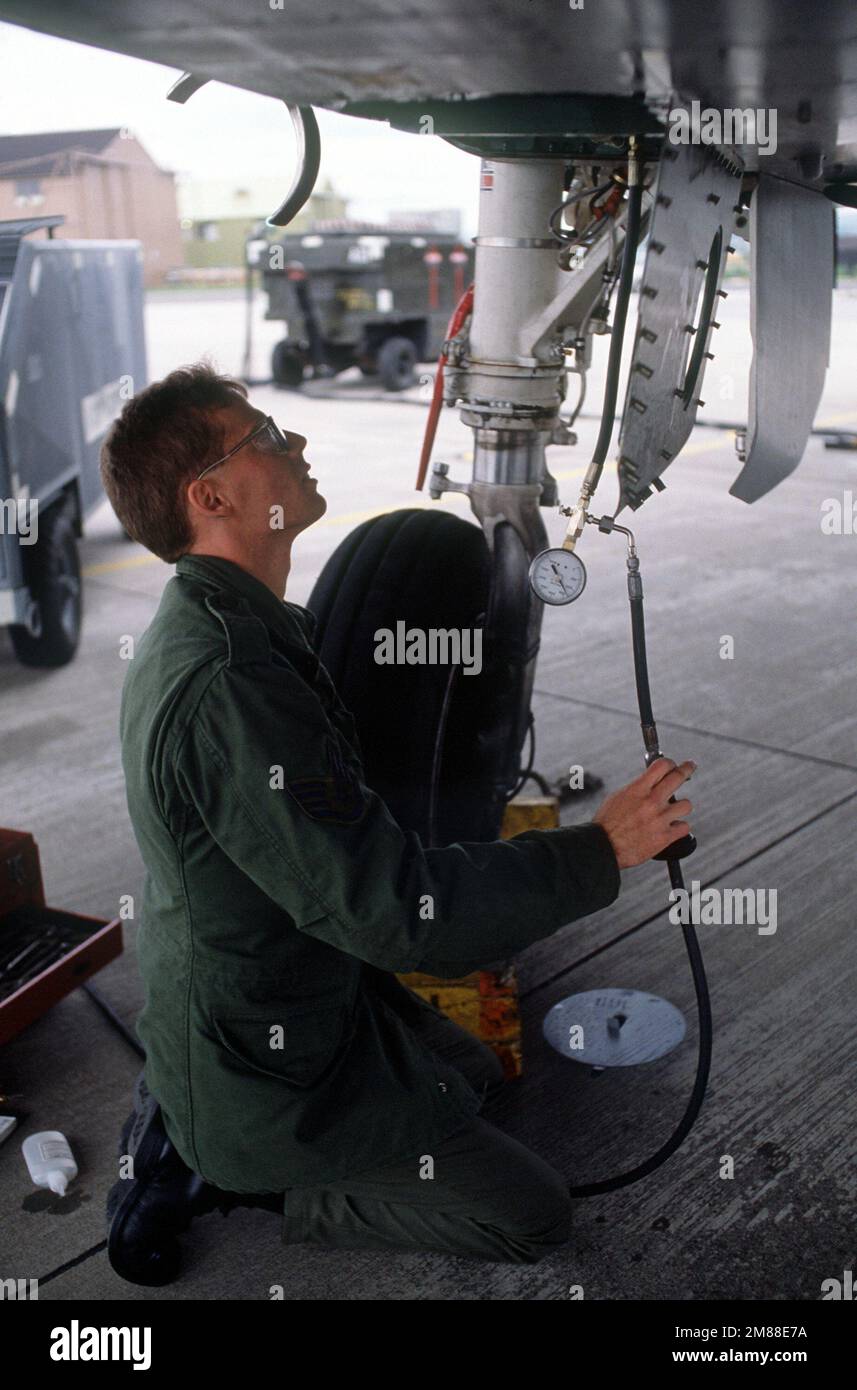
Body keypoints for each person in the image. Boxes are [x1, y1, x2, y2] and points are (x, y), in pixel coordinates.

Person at [100, 362, 695, 1281]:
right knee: (531, 1218)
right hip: (265, 1044)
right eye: (263, 435)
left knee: (478, 1079)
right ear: (211, 495)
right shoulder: (230, 681)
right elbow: (393, 913)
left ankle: (197, 1110)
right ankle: (232, 1171)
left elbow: (350, 861)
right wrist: (601, 848)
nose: (291, 443)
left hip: (300, 983)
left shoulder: (235, 622)